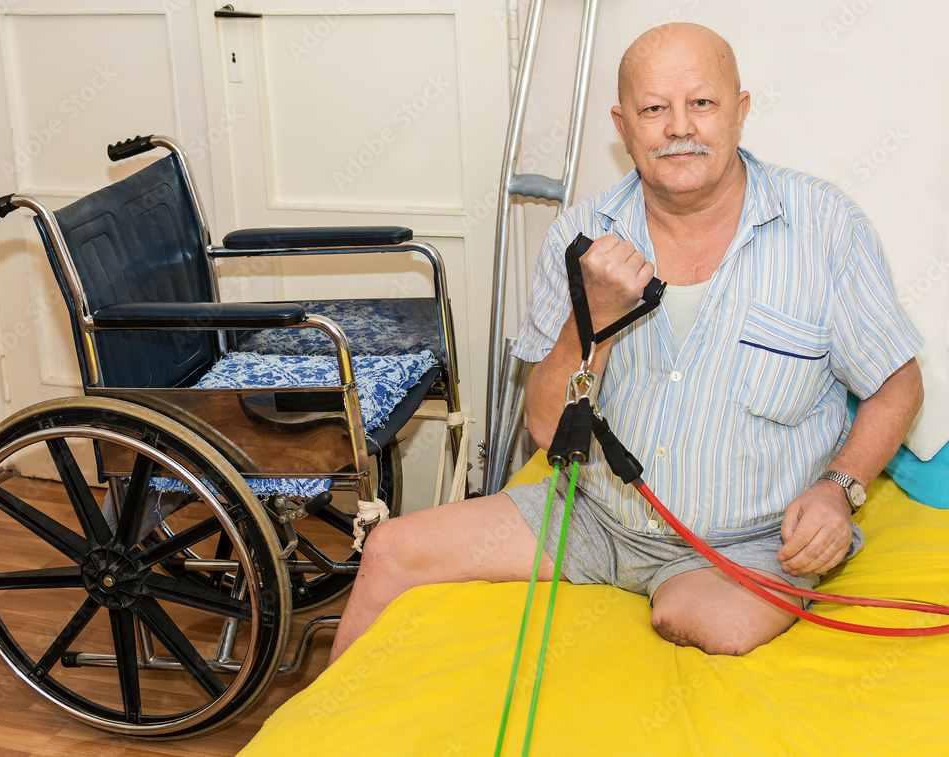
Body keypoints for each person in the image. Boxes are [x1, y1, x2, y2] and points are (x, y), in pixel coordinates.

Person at [328, 22, 924, 663]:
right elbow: (548, 428)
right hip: (592, 518)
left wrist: (839, 489)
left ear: (740, 112)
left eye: (702, 103)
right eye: (653, 109)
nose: (679, 127)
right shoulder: (580, 235)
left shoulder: (827, 227)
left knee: (707, 622)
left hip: (753, 539)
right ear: (623, 124)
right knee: (388, 549)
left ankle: (698, 588)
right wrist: (597, 320)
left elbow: (899, 383)